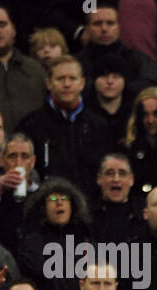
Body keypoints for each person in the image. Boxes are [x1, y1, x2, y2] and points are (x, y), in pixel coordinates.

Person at [17, 56, 114, 197]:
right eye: (60, 79)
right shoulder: (31, 125)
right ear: (48, 83)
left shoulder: (99, 125)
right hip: (46, 204)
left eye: (72, 79)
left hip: (91, 206)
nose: (67, 84)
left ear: (82, 83)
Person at [14, 177, 94, 290]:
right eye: (52, 198)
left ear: (73, 205)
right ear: (43, 208)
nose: (59, 202)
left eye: (64, 198)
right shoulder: (32, 243)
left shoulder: (86, 241)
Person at [76, 3, 157, 95]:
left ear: (119, 28)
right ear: (87, 29)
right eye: (98, 23)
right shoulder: (76, 63)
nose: (104, 28)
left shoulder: (139, 60)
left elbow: (151, 86)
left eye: (110, 23)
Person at [89, 152, 147, 245]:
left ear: (131, 180)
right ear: (99, 179)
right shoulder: (86, 216)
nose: (116, 179)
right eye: (110, 173)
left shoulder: (144, 215)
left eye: (122, 173)